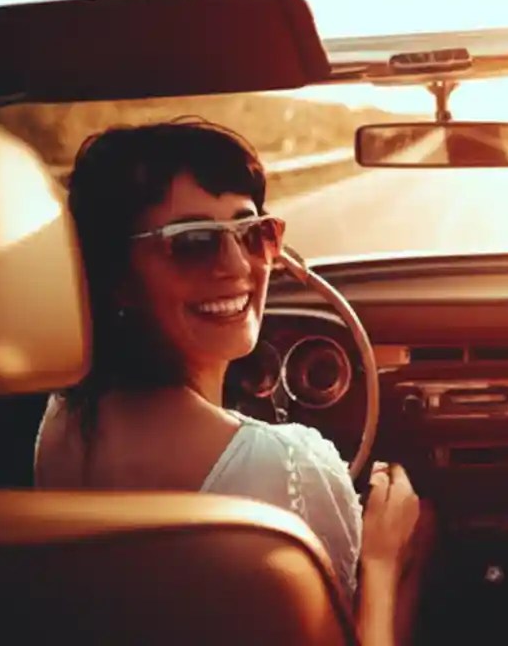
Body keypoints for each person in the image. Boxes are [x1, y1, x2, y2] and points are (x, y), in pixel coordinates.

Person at [34, 120, 423, 645]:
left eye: (253, 232)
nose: (238, 265)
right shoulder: (288, 466)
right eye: (194, 243)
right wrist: (380, 562)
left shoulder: (59, 422)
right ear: (116, 276)